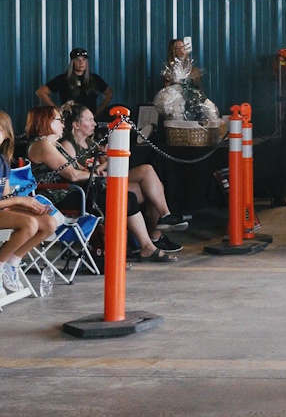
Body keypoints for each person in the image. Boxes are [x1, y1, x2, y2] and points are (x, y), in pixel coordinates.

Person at [25, 106, 181, 263]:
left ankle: (145, 247)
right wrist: (98, 177)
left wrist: (98, 170)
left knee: (128, 197)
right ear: (45, 122)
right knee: (121, 200)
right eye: (59, 120)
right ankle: (126, 251)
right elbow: (72, 174)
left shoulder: (55, 146)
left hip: (75, 190)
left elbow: (80, 170)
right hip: (60, 196)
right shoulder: (41, 145)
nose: (63, 124)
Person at [60, 102, 186, 253]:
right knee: (152, 189)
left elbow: (101, 168)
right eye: (89, 120)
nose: (94, 124)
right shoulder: (68, 145)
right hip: (90, 188)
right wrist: (105, 162)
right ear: (76, 125)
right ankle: (156, 235)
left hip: (103, 180)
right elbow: (83, 173)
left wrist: (106, 158)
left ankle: (163, 221)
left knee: (151, 180)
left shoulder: (91, 143)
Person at [0, 110, 59, 296]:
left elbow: (6, 199)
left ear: (6, 135)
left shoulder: (3, 161)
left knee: (49, 222)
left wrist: (30, 205)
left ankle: (12, 262)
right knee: (29, 223)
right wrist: (21, 201)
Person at [36, 48, 113, 117]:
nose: (81, 63)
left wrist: (99, 110)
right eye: (77, 60)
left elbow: (109, 93)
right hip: (70, 120)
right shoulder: (63, 79)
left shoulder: (95, 79)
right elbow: (41, 92)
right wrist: (57, 110)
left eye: (83, 60)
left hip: (89, 120)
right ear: (72, 63)